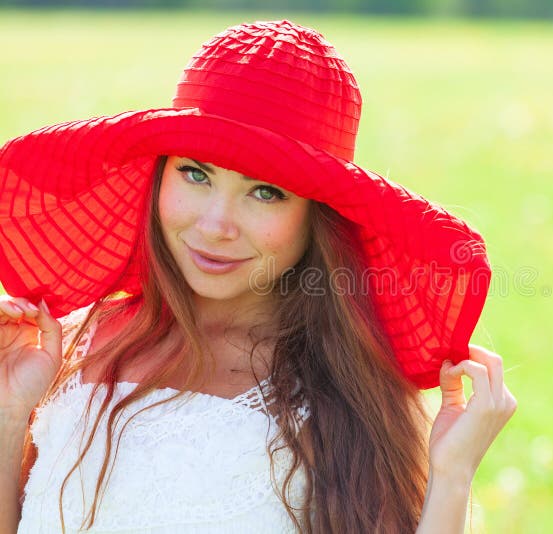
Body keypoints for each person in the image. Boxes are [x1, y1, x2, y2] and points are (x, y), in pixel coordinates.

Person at [0, 19, 516, 534]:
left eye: (265, 192)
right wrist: (9, 414)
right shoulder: (71, 348)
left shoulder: (343, 396)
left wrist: (451, 477)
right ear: (160, 175)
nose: (214, 225)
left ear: (317, 215)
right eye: (195, 173)